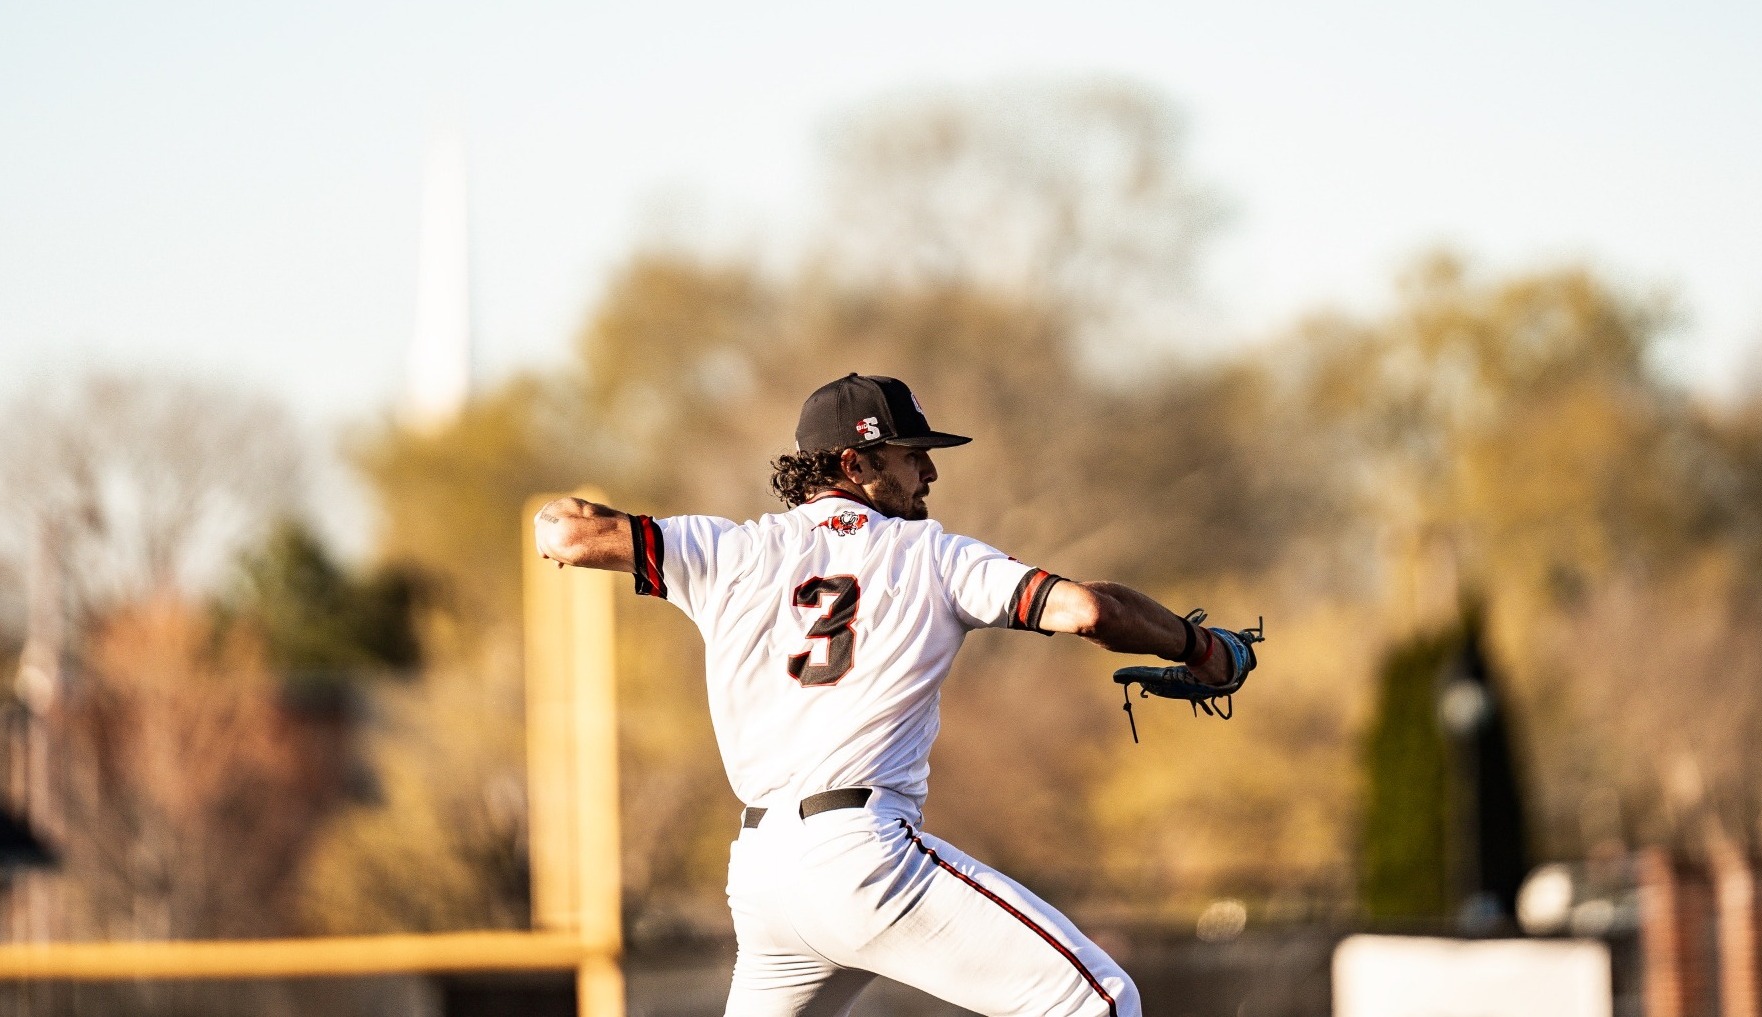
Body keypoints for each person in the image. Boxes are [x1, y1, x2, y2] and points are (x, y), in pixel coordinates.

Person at [533, 373, 1256, 1017]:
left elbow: (562, 531)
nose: (929, 470)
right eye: (911, 454)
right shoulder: (934, 555)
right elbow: (1090, 610)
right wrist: (1200, 649)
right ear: (856, 462)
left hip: (762, 875)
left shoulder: (725, 550)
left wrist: (584, 517)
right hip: (860, 854)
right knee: (1094, 999)